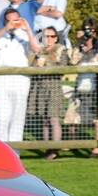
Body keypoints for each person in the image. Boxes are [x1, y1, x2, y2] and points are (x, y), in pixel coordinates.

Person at [0, 8, 38, 143]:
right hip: (2, 80)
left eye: (15, 20)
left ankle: (15, 153)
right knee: (1, 116)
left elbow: (36, 49)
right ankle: (0, 151)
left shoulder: (25, 35)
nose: (13, 23)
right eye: (9, 21)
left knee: (18, 117)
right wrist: (5, 29)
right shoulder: (0, 35)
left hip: (20, 80)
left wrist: (28, 29)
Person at [28, 27, 69, 158]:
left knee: (54, 119)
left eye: (52, 36)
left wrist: (47, 63)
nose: (49, 39)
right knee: (45, 120)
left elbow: (63, 68)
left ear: (56, 38)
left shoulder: (61, 50)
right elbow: (31, 67)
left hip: (54, 87)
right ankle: (47, 148)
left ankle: (55, 149)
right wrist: (37, 63)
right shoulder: (38, 51)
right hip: (40, 88)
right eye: (46, 36)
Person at [70, 18, 98, 154]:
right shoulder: (79, 45)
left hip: (96, 85)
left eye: (91, 29)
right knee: (73, 116)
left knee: (97, 118)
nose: (89, 33)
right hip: (80, 85)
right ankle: (73, 145)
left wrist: (89, 49)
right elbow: (73, 62)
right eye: (86, 29)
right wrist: (79, 43)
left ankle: (97, 147)